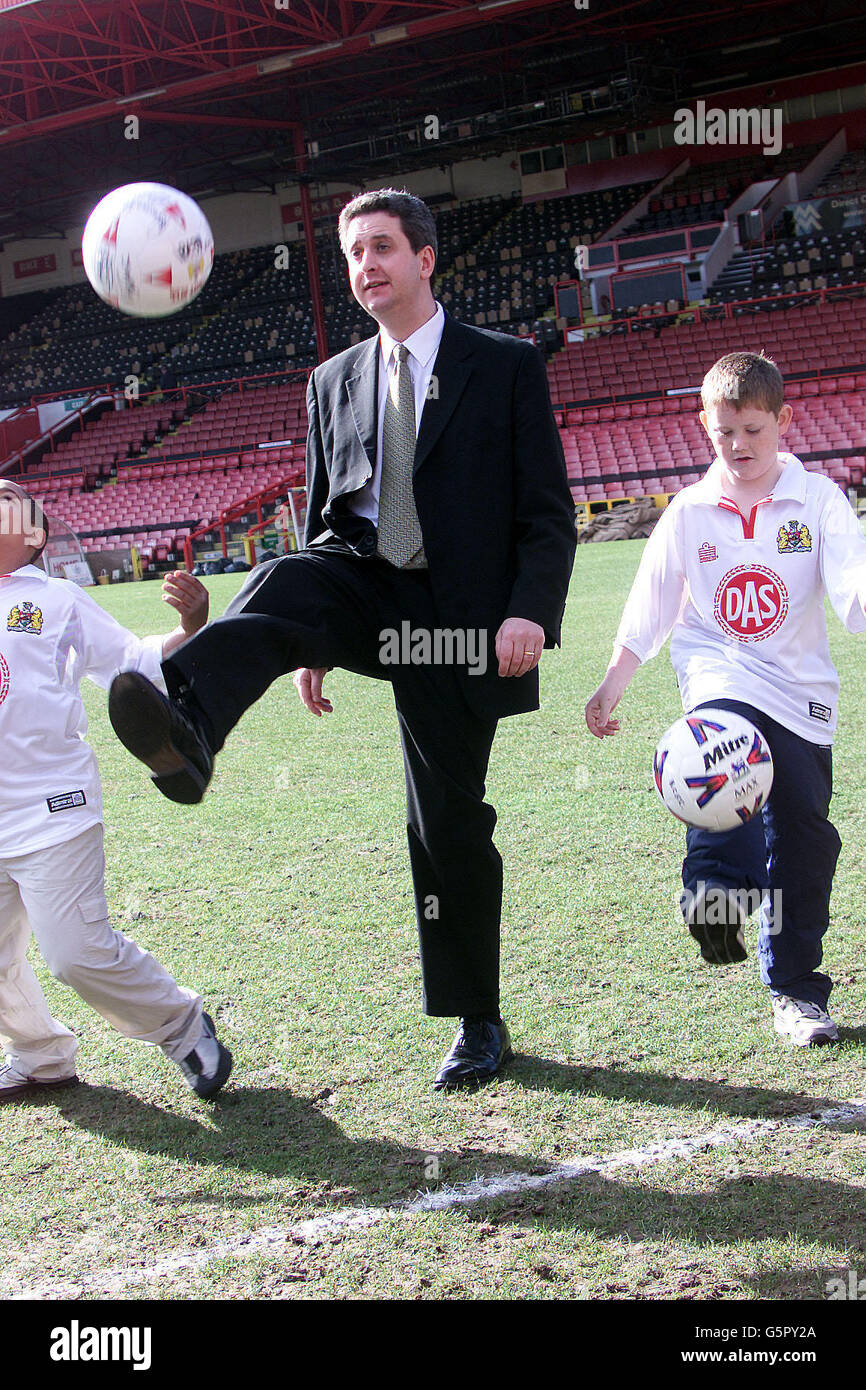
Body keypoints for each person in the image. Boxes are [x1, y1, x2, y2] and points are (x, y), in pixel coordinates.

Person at [107, 187, 577, 1090]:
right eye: (354, 252)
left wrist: (530, 611)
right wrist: (312, 641)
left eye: (383, 248)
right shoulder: (331, 381)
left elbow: (547, 514)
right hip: (367, 589)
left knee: (444, 820)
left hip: (461, 626)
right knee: (288, 571)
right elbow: (327, 525)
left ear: (425, 258)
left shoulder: (505, 366)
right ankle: (190, 726)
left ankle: (478, 1018)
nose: (366, 265)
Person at [585, 351, 866, 1047]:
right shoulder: (689, 511)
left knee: (805, 840)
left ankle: (796, 991)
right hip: (720, 674)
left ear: (783, 423)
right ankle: (714, 890)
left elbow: (854, 584)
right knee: (723, 754)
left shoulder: (821, 500)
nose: (739, 447)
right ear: (704, 427)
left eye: (753, 431)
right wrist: (614, 680)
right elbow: (650, 604)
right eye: (724, 434)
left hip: (800, 694)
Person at [0, 481, 231, 1103]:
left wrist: (191, 626)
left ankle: (182, 1026)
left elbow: (132, 662)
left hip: (52, 808)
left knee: (76, 955)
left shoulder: (52, 598)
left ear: (34, 536)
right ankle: (40, 1054)